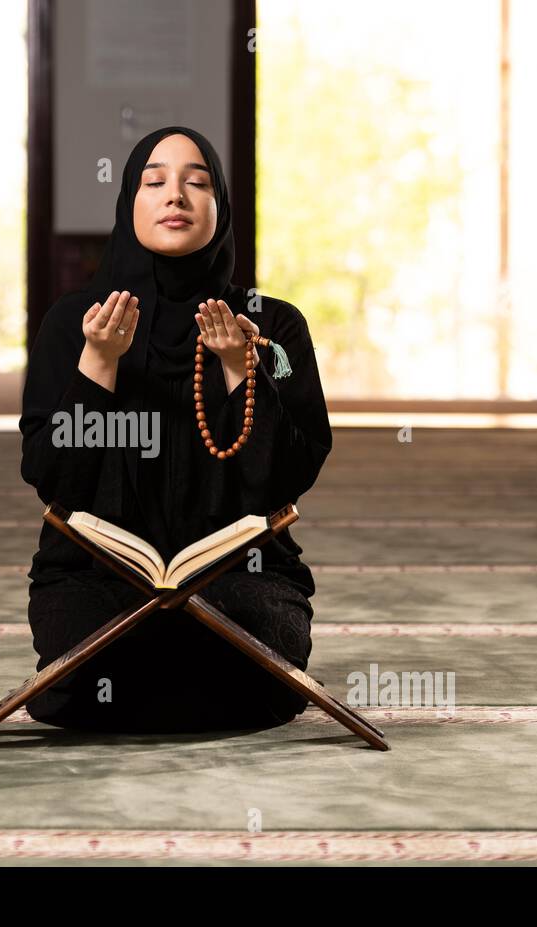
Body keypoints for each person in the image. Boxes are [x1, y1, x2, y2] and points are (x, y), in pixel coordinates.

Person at [18, 125, 333, 734]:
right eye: (155, 181)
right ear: (128, 204)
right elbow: (52, 477)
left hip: (241, 577)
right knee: (87, 658)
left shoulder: (272, 326)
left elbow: (290, 477)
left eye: (197, 182)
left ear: (221, 208)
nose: (176, 197)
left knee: (256, 647)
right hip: (97, 576)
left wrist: (240, 372)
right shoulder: (74, 323)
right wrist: (98, 366)